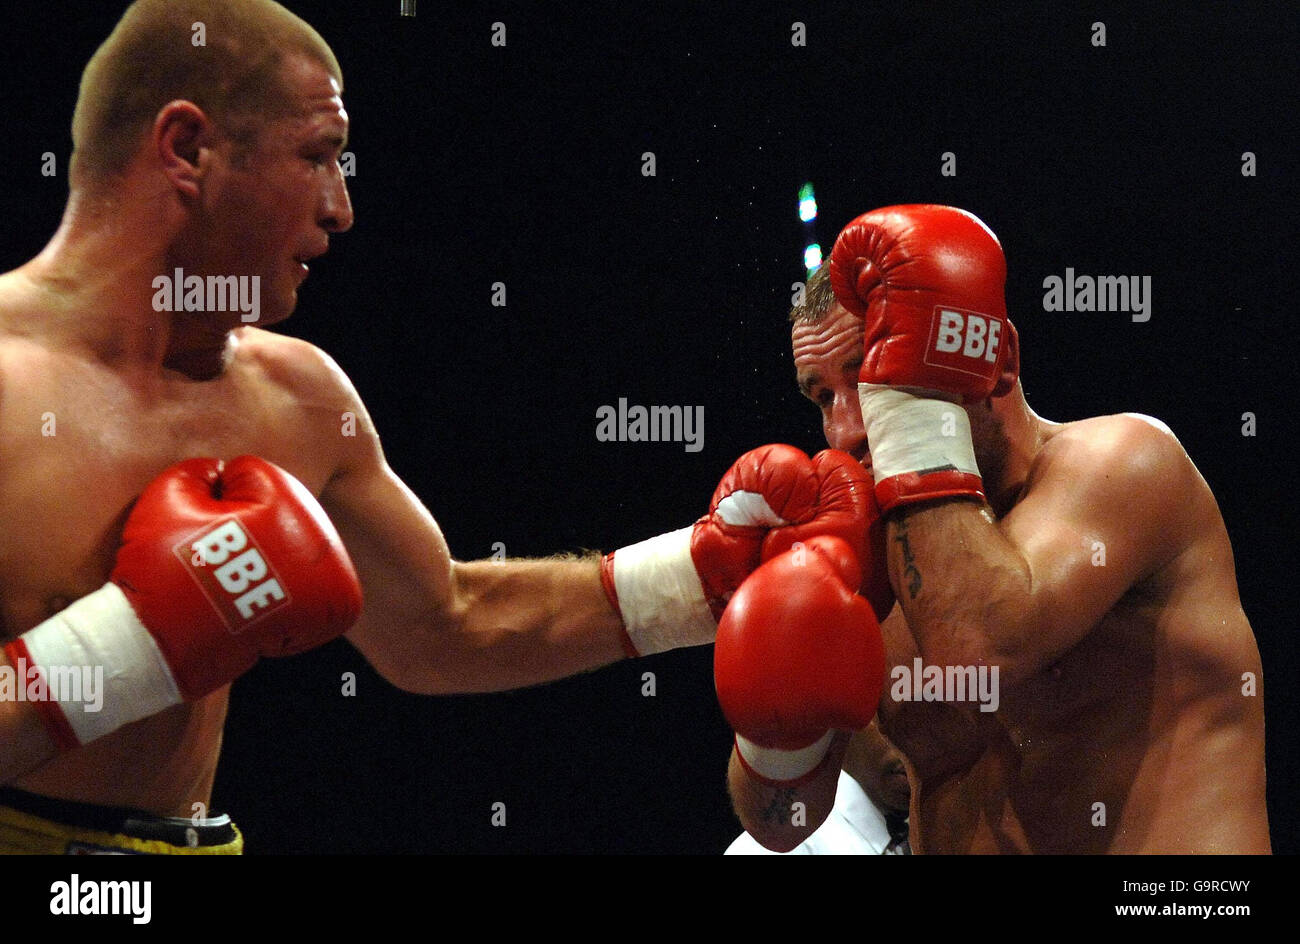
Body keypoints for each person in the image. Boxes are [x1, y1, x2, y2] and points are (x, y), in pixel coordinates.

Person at [0, 0, 848, 854]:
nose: (341, 209)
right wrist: (127, 648)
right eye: (318, 156)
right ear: (188, 149)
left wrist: (702, 575)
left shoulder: (293, 396)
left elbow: (444, 625)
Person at [721, 204, 1270, 854]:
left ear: (998, 361)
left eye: (877, 379)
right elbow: (781, 824)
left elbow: (982, 640)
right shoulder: (875, 559)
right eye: (823, 398)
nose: (847, 431)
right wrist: (773, 691)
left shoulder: (1124, 465)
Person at [725, 722, 909, 855]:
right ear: (842, 730)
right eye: (894, 718)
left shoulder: (927, 832)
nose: (919, 745)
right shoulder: (768, 851)